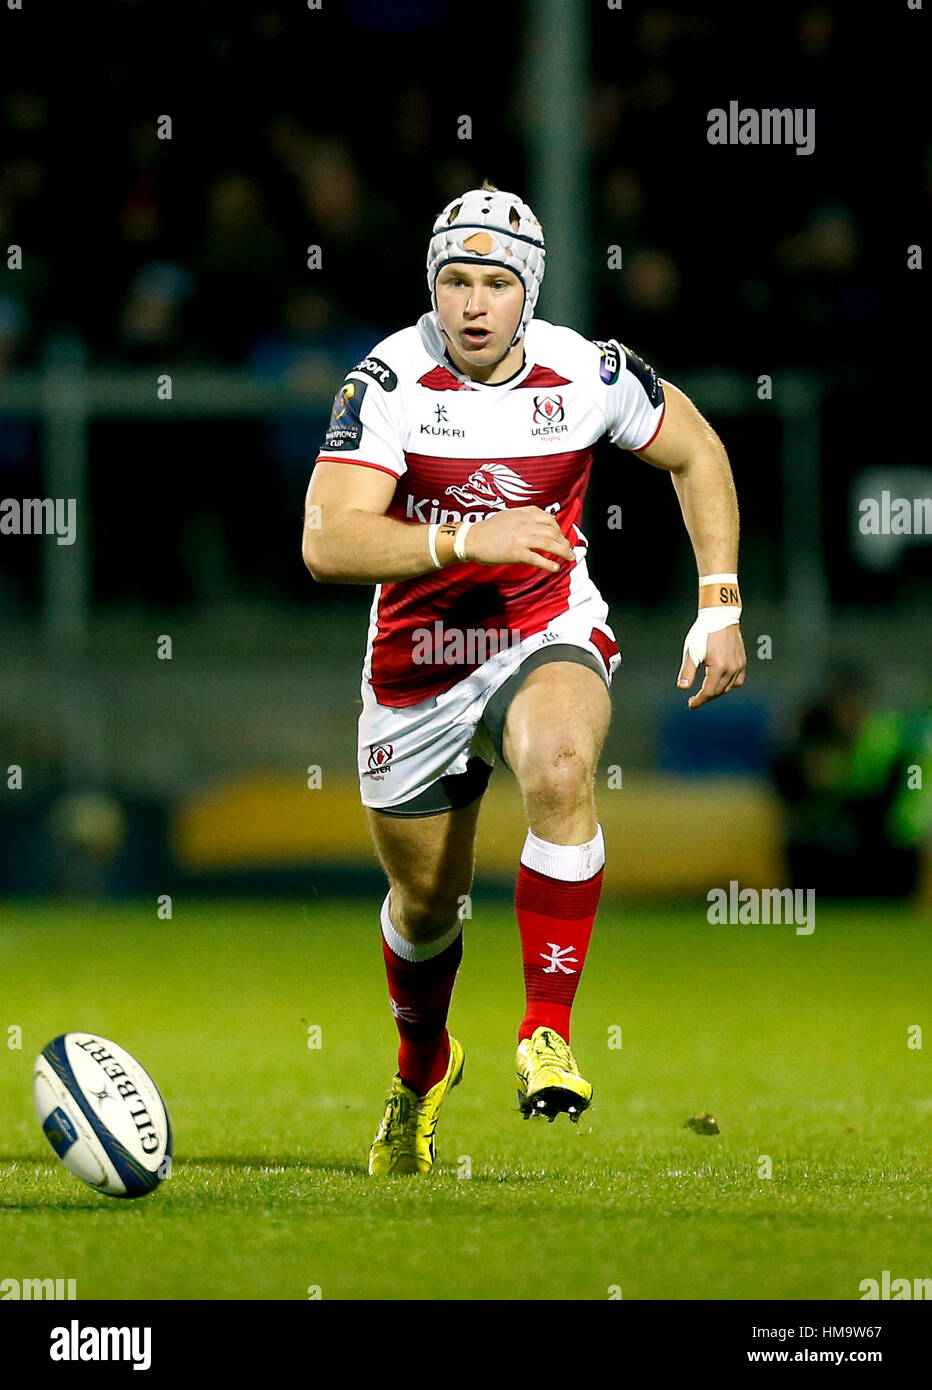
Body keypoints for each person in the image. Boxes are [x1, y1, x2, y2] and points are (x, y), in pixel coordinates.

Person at [303, 183, 746, 1175]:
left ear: (525, 292)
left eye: (493, 283)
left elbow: (696, 448)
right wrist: (468, 536)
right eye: (453, 280)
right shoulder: (386, 383)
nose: (470, 303)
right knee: (425, 908)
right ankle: (422, 1066)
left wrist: (717, 602)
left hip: (540, 630)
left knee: (557, 767)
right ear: (432, 285)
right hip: (416, 666)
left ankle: (544, 1028)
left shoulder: (585, 372)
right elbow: (326, 542)